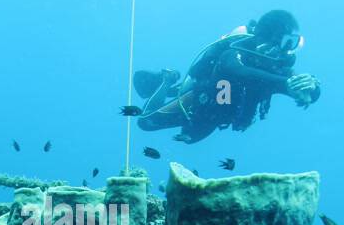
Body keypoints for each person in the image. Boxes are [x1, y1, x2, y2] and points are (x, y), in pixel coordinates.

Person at [135, 10, 321, 144]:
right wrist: (285, 82)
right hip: (199, 101)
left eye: (294, 42)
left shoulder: (277, 68)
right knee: (146, 122)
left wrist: (311, 88)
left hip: (217, 117)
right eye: (286, 42)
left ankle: (171, 87)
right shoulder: (235, 49)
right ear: (269, 39)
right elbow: (235, 70)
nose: (288, 49)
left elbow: (301, 90)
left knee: (190, 139)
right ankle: (167, 80)